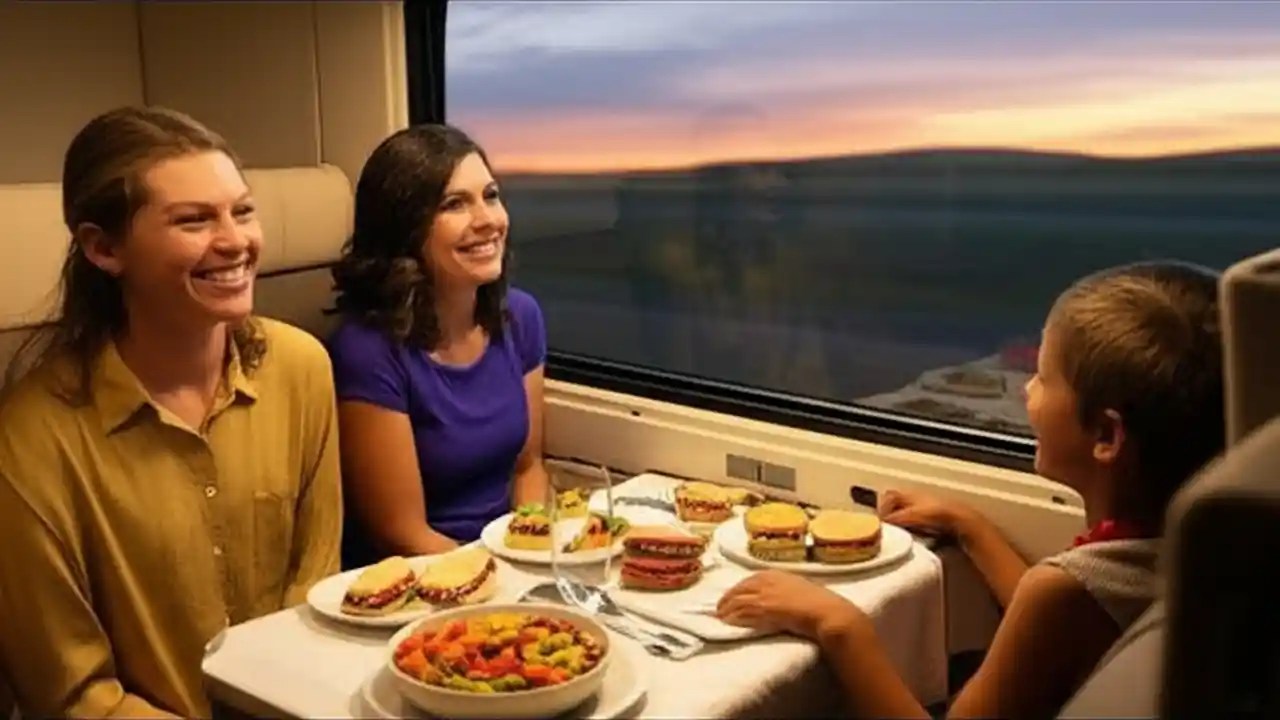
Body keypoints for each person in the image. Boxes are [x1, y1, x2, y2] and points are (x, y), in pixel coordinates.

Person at [717, 260, 1226, 719]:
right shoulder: (1179, 549)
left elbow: (1056, 604)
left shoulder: (1067, 592)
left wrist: (835, 623)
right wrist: (971, 526)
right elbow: (1059, 615)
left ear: (1107, 437)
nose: (1026, 390)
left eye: (1044, 379)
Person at [0, 106, 342, 718]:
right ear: (104, 248)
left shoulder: (302, 370)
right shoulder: (31, 438)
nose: (236, 240)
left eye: (242, 210)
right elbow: (73, 694)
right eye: (193, 220)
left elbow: (315, 591)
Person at [327, 124, 549, 568]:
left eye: (490, 195)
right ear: (404, 229)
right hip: (422, 579)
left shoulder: (519, 317)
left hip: (505, 564)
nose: (487, 219)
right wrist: (504, 579)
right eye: (454, 204)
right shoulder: (368, 350)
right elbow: (401, 533)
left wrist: (536, 549)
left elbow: (529, 467)